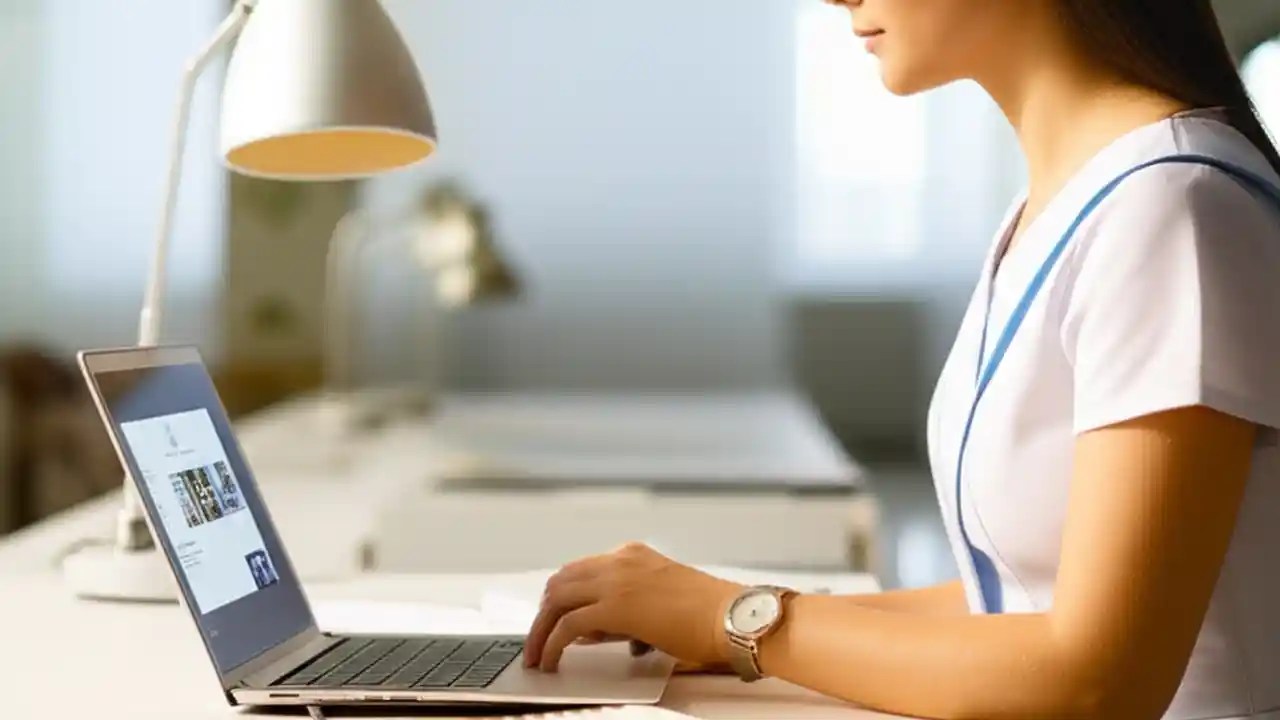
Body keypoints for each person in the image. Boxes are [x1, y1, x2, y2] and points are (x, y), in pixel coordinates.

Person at [522, 2, 1280, 719]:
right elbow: (1016, 601)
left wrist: (731, 620)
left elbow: (1097, 681)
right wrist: (717, 615)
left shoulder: (1170, 205)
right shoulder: (1074, 201)